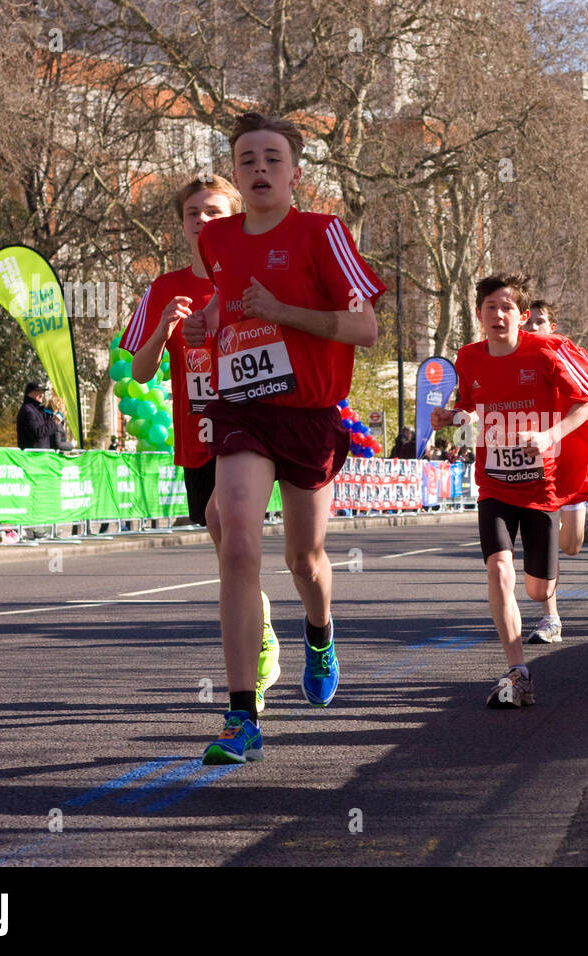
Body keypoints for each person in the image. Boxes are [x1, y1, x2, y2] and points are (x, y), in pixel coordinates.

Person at [181, 111, 386, 762]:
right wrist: (207, 323)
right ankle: (242, 716)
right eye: (247, 159)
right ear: (236, 175)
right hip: (244, 406)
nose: (260, 168)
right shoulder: (217, 240)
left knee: (305, 561)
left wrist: (283, 313)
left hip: (312, 413)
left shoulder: (323, 233)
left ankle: (320, 632)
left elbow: (365, 330)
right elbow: (228, 296)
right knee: (236, 538)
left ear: (296, 173)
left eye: (272, 158)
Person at [123, 174, 283, 713]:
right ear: (182, 224)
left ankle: (250, 668)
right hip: (199, 435)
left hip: (250, 431)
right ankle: (261, 628)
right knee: (228, 550)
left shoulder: (253, 275)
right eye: (193, 213)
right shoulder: (164, 287)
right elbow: (140, 372)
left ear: (234, 217)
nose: (202, 221)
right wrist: (162, 328)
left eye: (214, 211)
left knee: (225, 522)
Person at [432, 274, 588, 704]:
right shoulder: (469, 357)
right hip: (494, 486)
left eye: (507, 307)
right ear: (478, 314)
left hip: (540, 487)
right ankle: (518, 670)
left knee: (538, 590)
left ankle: (552, 584)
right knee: (498, 571)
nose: (498, 314)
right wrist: (449, 418)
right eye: (490, 306)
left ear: (523, 316)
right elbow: (471, 409)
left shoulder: (545, 352)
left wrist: (551, 434)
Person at [516, 297, 588, 644]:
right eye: (528, 322)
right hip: (536, 464)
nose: (532, 328)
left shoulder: (566, 351)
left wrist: (556, 431)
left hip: (570, 460)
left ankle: (580, 513)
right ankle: (550, 618)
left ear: (552, 326)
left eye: (539, 322)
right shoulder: (513, 357)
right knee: (545, 541)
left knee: (571, 546)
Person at [16, 381, 64, 450]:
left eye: (43, 392)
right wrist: (54, 422)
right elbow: (37, 433)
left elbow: (50, 426)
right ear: (30, 393)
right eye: (39, 392)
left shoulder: (39, 410)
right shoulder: (27, 411)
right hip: (32, 457)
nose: (42, 395)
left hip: (40, 456)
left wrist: (57, 417)